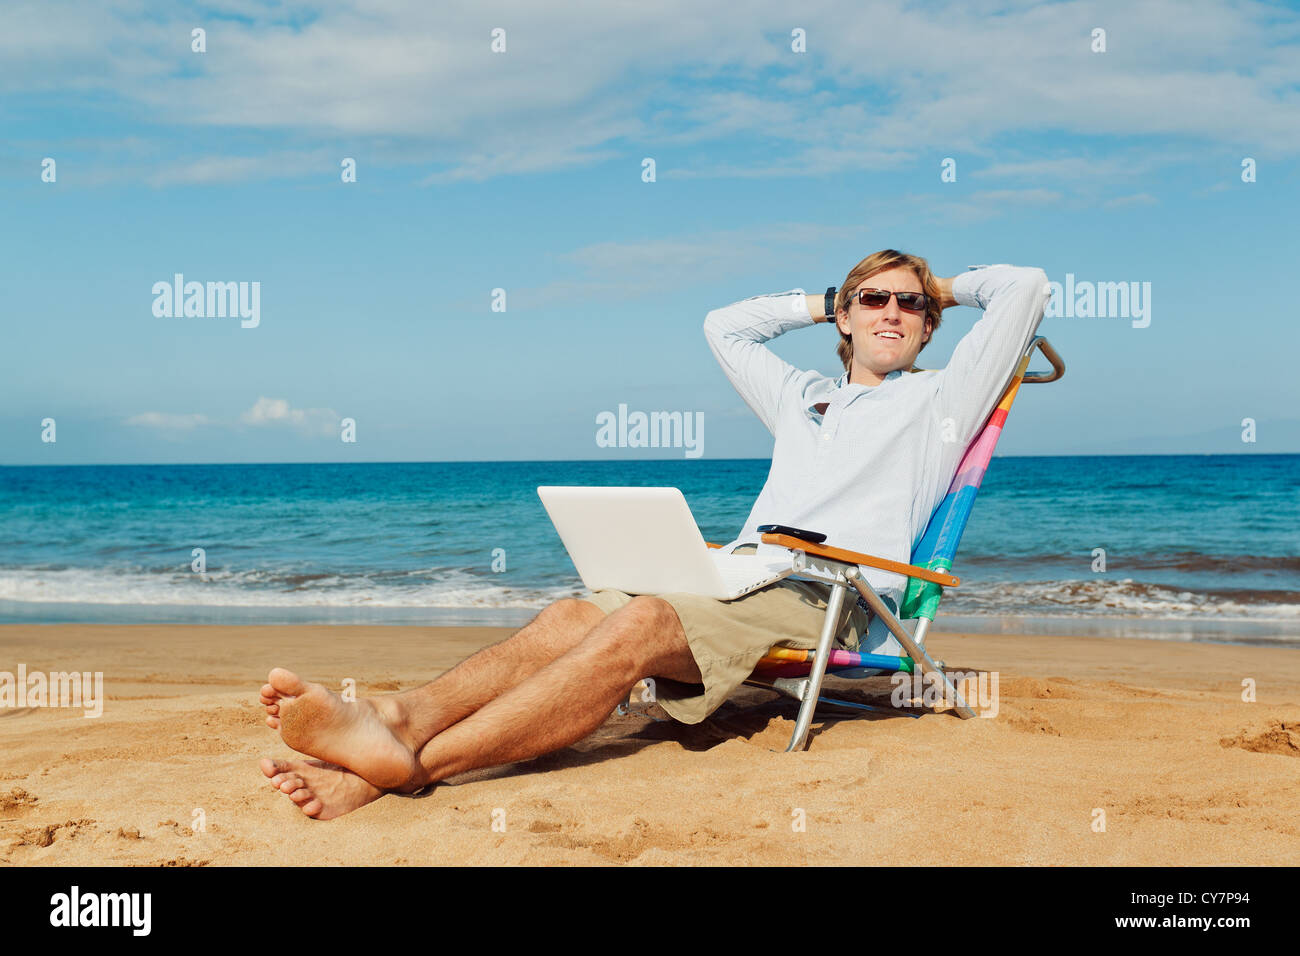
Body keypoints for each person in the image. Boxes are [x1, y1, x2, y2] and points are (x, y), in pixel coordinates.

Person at [259, 250, 1051, 819]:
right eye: (873, 300)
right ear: (844, 317)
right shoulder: (800, 396)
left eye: (911, 306)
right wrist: (832, 293)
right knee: (573, 617)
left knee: (639, 622)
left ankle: (408, 769)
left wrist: (934, 280)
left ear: (930, 328)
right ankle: (396, 722)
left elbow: (1025, 288)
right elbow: (725, 327)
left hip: (830, 592)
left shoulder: (942, 403)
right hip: (743, 575)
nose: (893, 313)